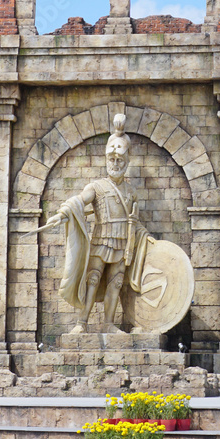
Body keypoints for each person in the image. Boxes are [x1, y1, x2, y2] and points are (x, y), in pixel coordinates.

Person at [46, 114, 153, 333]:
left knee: (116, 282)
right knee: (92, 279)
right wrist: (63, 212)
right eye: (111, 160)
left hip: (123, 240)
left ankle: (108, 324)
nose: (115, 163)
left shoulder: (131, 192)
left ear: (126, 162)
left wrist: (146, 237)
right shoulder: (96, 186)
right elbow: (80, 200)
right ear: (106, 161)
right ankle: (81, 323)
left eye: (119, 160)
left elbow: (134, 221)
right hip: (102, 238)